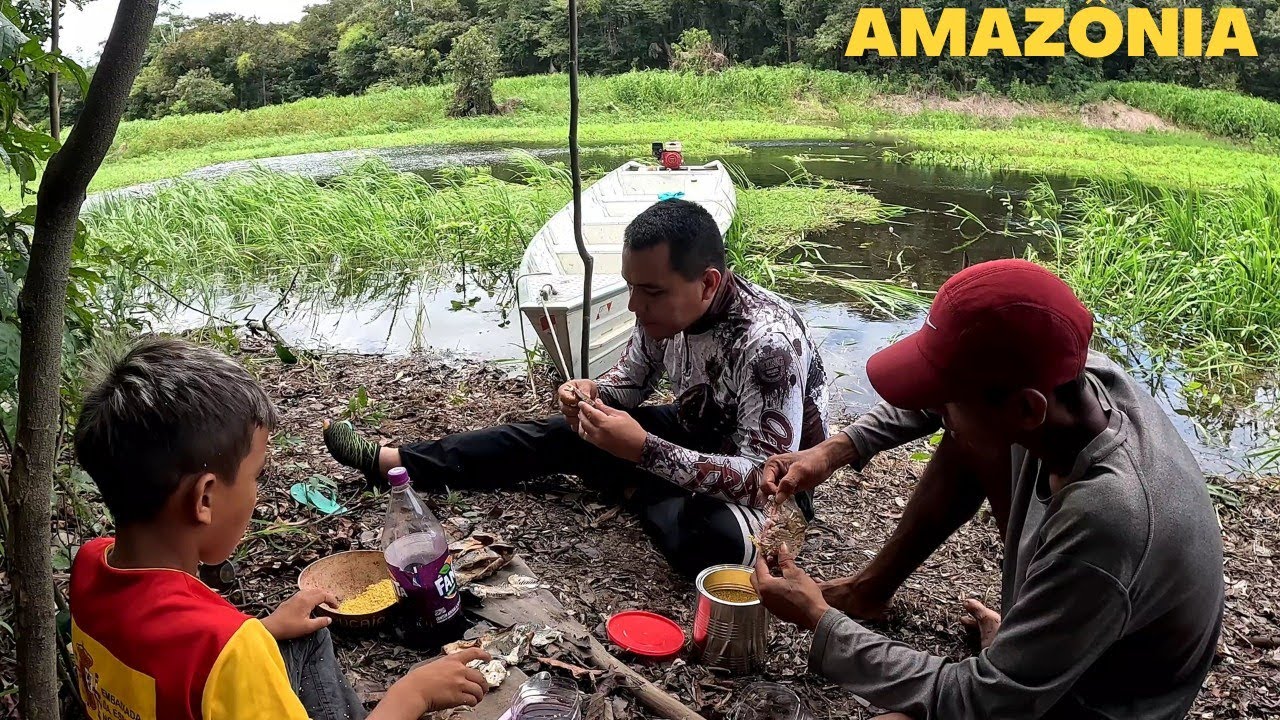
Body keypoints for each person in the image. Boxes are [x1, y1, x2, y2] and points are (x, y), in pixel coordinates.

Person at [752, 259, 1224, 720]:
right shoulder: (1067, 378)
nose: (938, 407)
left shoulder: (1109, 516)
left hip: (1088, 698)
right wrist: (835, 450)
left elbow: (984, 701)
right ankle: (874, 594)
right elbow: (939, 403)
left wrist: (820, 621)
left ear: (1026, 409)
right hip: (1075, 640)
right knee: (970, 435)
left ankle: (1021, 651)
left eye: (948, 397)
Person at [324, 199, 829, 577]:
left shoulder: (767, 344)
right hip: (696, 430)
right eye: (630, 286)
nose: (634, 306)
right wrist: (589, 393)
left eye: (650, 292)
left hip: (773, 479)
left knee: (710, 541)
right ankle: (396, 461)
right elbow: (628, 385)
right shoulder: (661, 311)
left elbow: (768, 480)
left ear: (709, 283)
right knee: (559, 434)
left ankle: (635, 484)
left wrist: (646, 451)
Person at [69, 337, 493, 720]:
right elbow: (214, 658)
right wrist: (410, 696)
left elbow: (166, 659)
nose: (256, 493)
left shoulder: (90, 564)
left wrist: (263, 629)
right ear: (204, 499)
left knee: (308, 638)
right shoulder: (231, 654)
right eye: (256, 477)